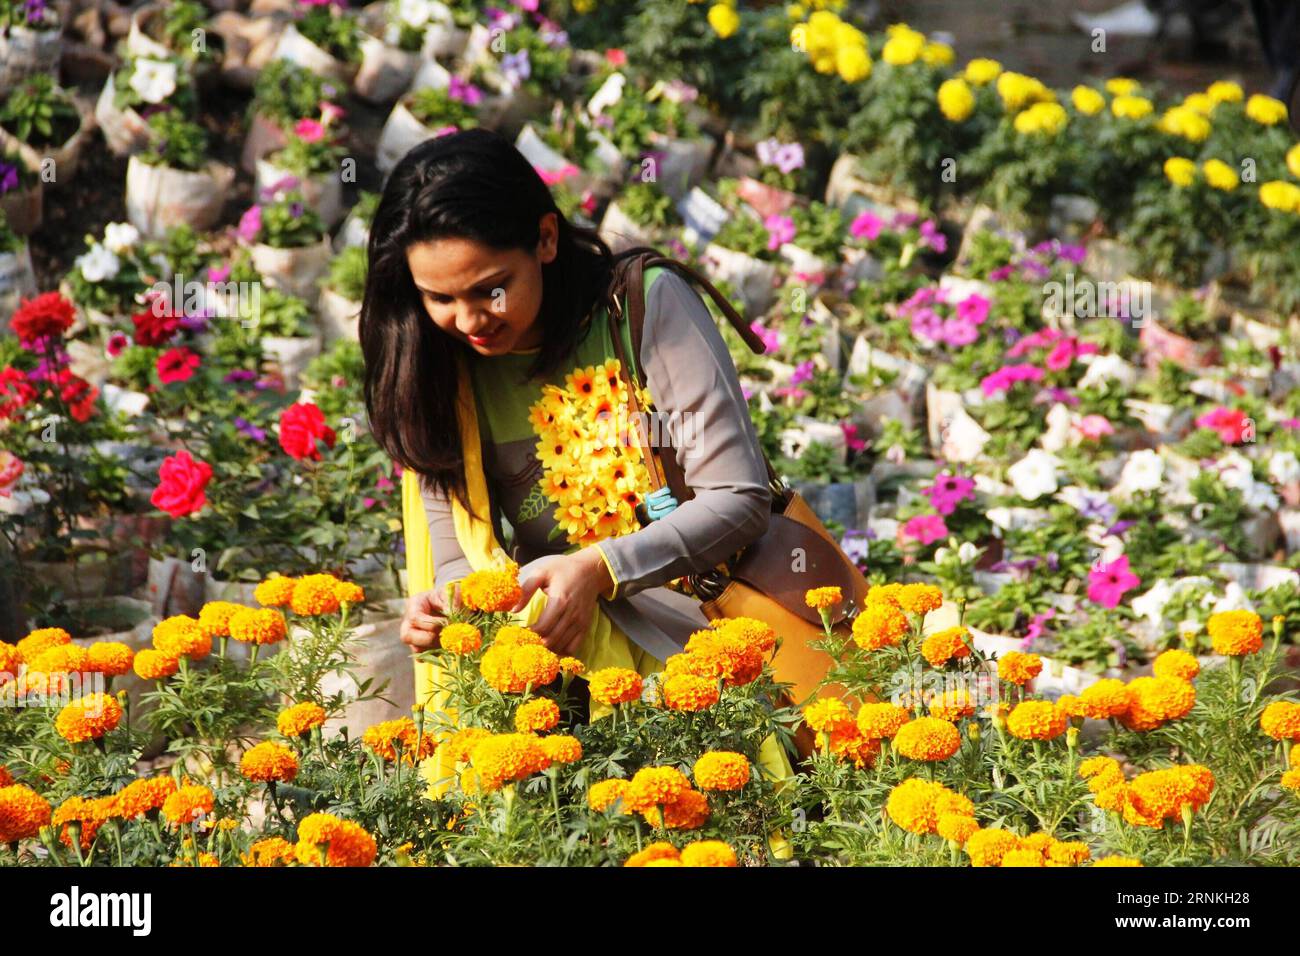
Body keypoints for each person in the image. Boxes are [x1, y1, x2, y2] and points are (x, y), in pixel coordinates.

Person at [359, 128, 790, 787]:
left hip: (697, 624)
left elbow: (739, 496)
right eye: (440, 299)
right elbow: (455, 553)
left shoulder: (642, 306)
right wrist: (447, 605)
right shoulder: (433, 365)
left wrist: (601, 569)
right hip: (558, 654)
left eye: (491, 288)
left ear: (546, 240)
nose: (470, 319)